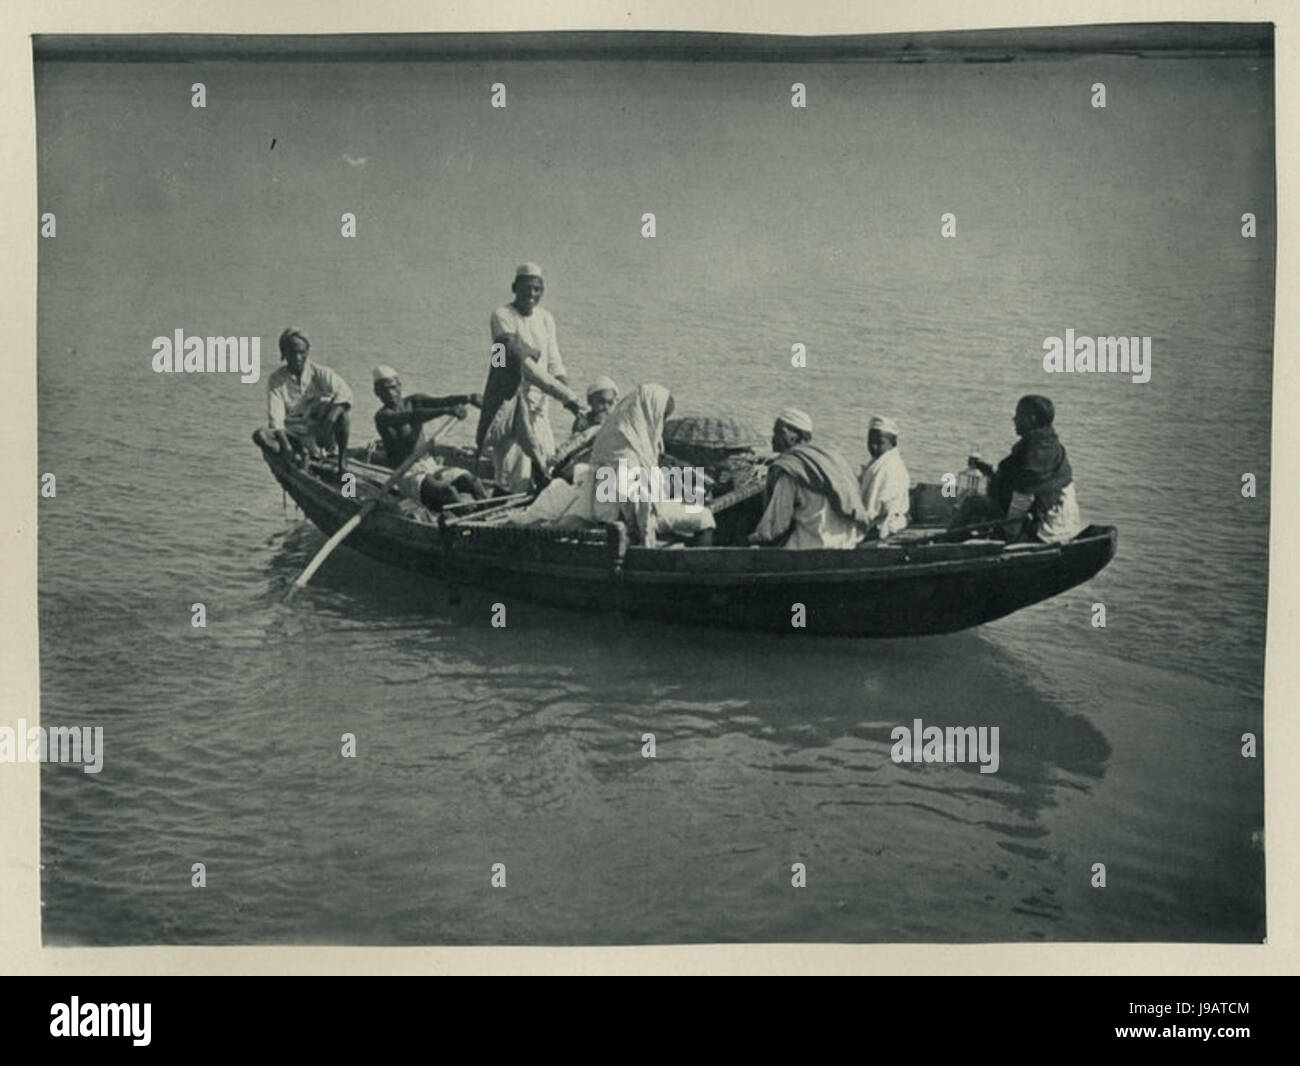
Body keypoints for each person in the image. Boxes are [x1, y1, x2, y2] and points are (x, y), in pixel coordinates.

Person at [475, 263, 584, 492]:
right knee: (512, 471)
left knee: (545, 462)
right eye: (526, 288)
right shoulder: (502, 315)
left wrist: (566, 393)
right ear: (514, 287)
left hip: (540, 405)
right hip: (511, 402)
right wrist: (568, 397)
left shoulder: (546, 318)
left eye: (537, 289)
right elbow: (515, 363)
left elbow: (554, 359)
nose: (531, 295)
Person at [587, 383, 716, 547]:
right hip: (627, 518)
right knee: (704, 516)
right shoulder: (630, 450)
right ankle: (698, 567)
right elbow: (639, 504)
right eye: (661, 417)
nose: (660, 423)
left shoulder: (615, 434)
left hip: (603, 512)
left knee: (681, 504)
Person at [956, 394, 1083, 543]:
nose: (1014, 419)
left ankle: (948, 544)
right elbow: (1024, 481)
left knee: (972, 503)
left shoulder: (1032, 453)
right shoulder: (1054, 447)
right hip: (1068, 525)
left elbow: (1023, 496)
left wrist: (1010, 535)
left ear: (1032, 418)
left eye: (1018, 415)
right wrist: (990, 472)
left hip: (1044, 531)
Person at [748, 408, 870, 550]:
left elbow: (776, 525)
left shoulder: (790, 470)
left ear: (794, 437)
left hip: (814, 546)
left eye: (778, 433)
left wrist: (751, 539)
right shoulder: (831, 458)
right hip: (847, 543)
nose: (772, 439)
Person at [372, 365, 488, 510]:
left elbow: (442, 401)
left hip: (431, 465)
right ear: (377, 393)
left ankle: (489, 515)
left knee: (471, 481)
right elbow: (413, 416)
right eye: (384, 390)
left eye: (393, 387)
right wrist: (447, 411)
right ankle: (471, 524)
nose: (390, 393)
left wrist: (468, 398)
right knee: (448, 492)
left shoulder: (414, 401)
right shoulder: (383, 417)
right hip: (407, 473)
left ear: (400, 385)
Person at [253, 328, 353, 480]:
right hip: (293, 434)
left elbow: (345, 392)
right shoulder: (277, 379)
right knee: (260, 435)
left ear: (307, 352)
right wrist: (285, 445)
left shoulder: (320, 372)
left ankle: (341, 462)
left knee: (343, 415)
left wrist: (330, 419)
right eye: (292, 353)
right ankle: (297, 454)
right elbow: (276, 417)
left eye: (301, 352)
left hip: (320, 432)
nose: (297, 357)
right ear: (283, 353)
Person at [858, 415, 911, 540]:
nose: (873, 446)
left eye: (879, 442)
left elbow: (872, 510)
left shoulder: (888, 468)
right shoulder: (878, 462)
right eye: (870, 441)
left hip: (883, 527)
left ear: (893, 443)